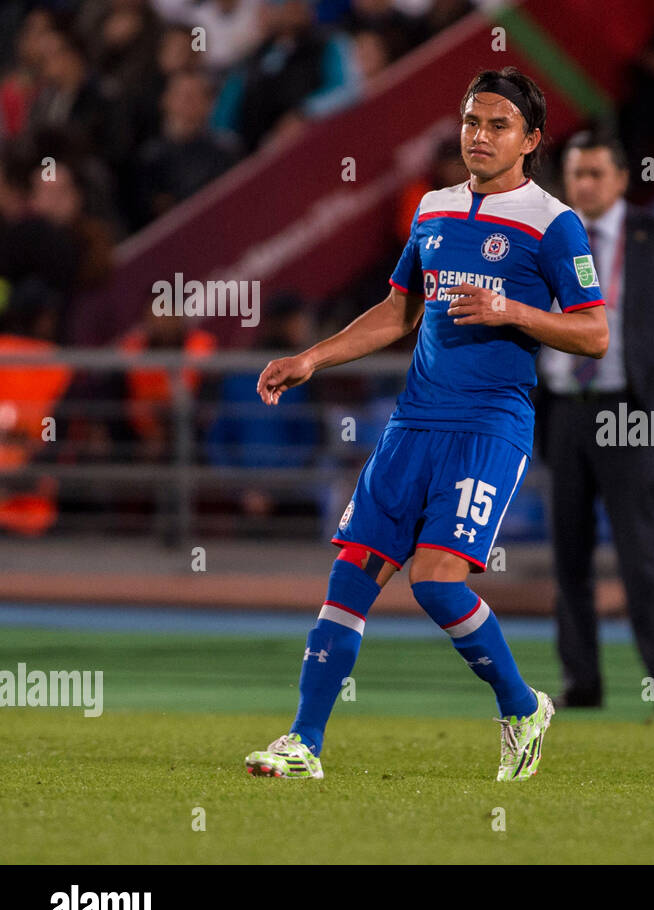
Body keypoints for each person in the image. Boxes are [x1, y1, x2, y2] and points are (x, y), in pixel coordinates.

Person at [245, 66, 608, 781]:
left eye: (497, 124)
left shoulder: (552, 222)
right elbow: (398, 310)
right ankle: (303, 743)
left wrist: (513, 313)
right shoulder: (435, 208)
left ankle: (521, 706)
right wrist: (313, 357)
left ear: (531, 139)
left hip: (489, 425)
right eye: (471, 122)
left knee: (438, 584)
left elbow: (593, 333)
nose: (479, 136)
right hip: (412, 424)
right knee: (350, 576)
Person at [535, 129, 654, 712]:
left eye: (597, 173)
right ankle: (582, 682)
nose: (585, 184)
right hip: (563, 409)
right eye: (576, 174)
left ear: (622, 178)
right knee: (568, 554)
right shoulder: (544, 237)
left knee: (642, 551)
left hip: (632, 411)